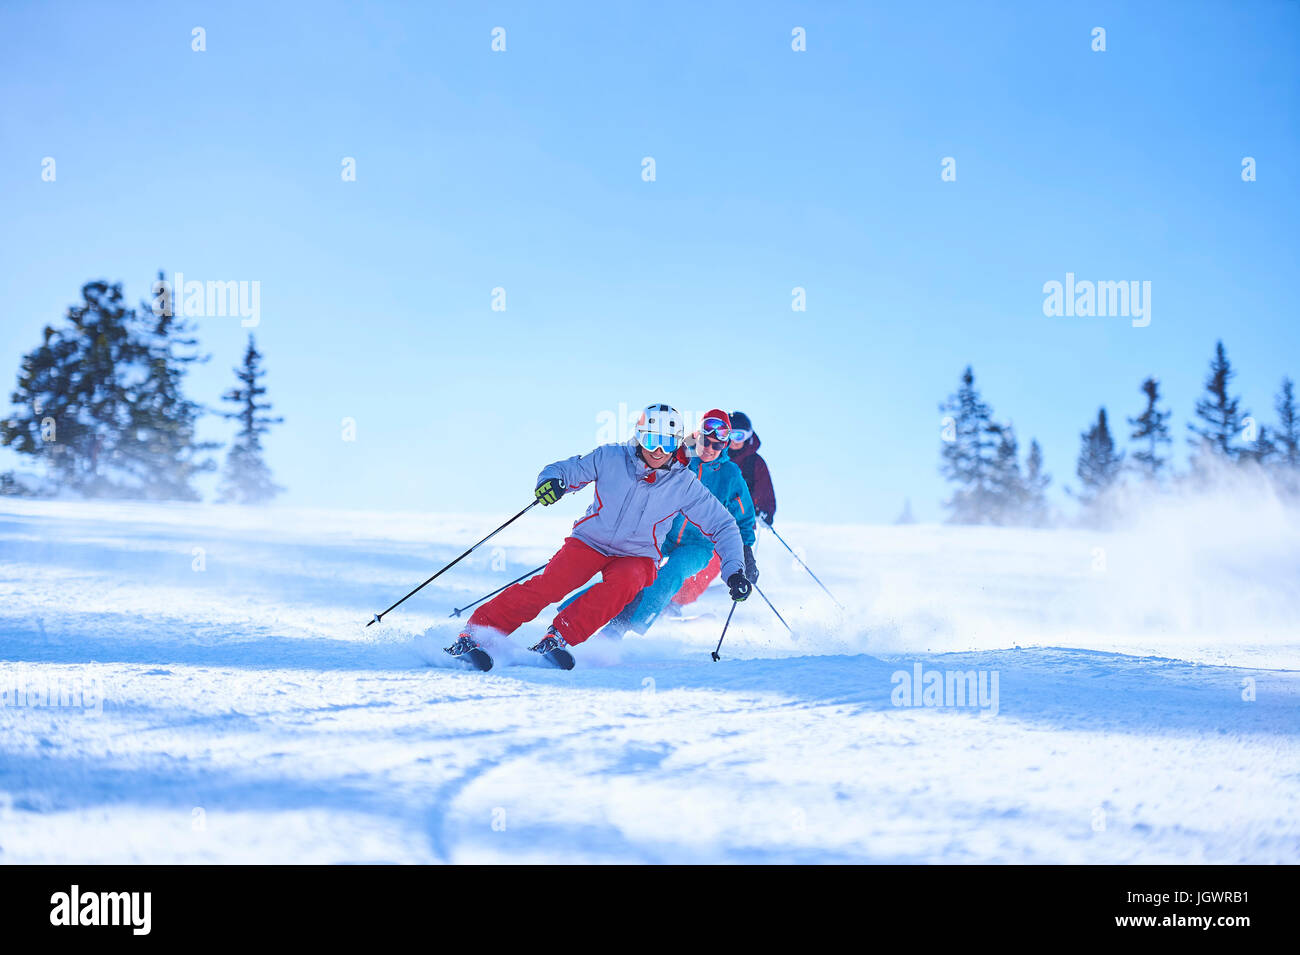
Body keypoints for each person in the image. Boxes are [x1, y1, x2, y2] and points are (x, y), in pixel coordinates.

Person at [446, 403, 752, 667]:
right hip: (590, 542)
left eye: (666, 444)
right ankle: (475, 633)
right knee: (550, 585)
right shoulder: (611, 457)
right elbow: (567, 470)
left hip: (637, 554)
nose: (658, 452)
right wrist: (553, 481)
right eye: (651, 440)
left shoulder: (682, 482)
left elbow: (724, 525)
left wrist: (735, 570)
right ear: (639, 436)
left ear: (677, 444)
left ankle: (559, 635)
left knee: (630, 582)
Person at [604, 410, 759, 635]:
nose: (710, 449)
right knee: (629, 568)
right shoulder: (677, 455)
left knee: (672, 573)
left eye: (717, 446)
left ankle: (622, 629)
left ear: (724, 446)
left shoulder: (730, 475)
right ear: (698, 435)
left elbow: (743, 518)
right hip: (663, 530)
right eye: (706, 441)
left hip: (698, 545)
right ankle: (578, 616)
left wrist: (746, 553)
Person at [671, 409, 775, 609]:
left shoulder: (752, 463)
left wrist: (764, 512)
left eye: (740, 436)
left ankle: (675, 603)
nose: (736, 441)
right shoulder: (705, 451)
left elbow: (764, 492)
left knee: (708, 563)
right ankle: (657, 599)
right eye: (732, 434)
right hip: (693, 523)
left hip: (728, 528)